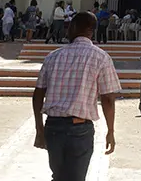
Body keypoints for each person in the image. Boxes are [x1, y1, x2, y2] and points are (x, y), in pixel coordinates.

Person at [33, 11, 121, 181]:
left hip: (53, 127)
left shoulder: (53, 57)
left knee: (58, 176)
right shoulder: (101, 57)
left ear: (74, 28)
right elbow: (108, 99)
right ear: (92, 31)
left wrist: (39, 129)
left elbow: (37, 95)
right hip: (80, 129)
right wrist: (110, 131)